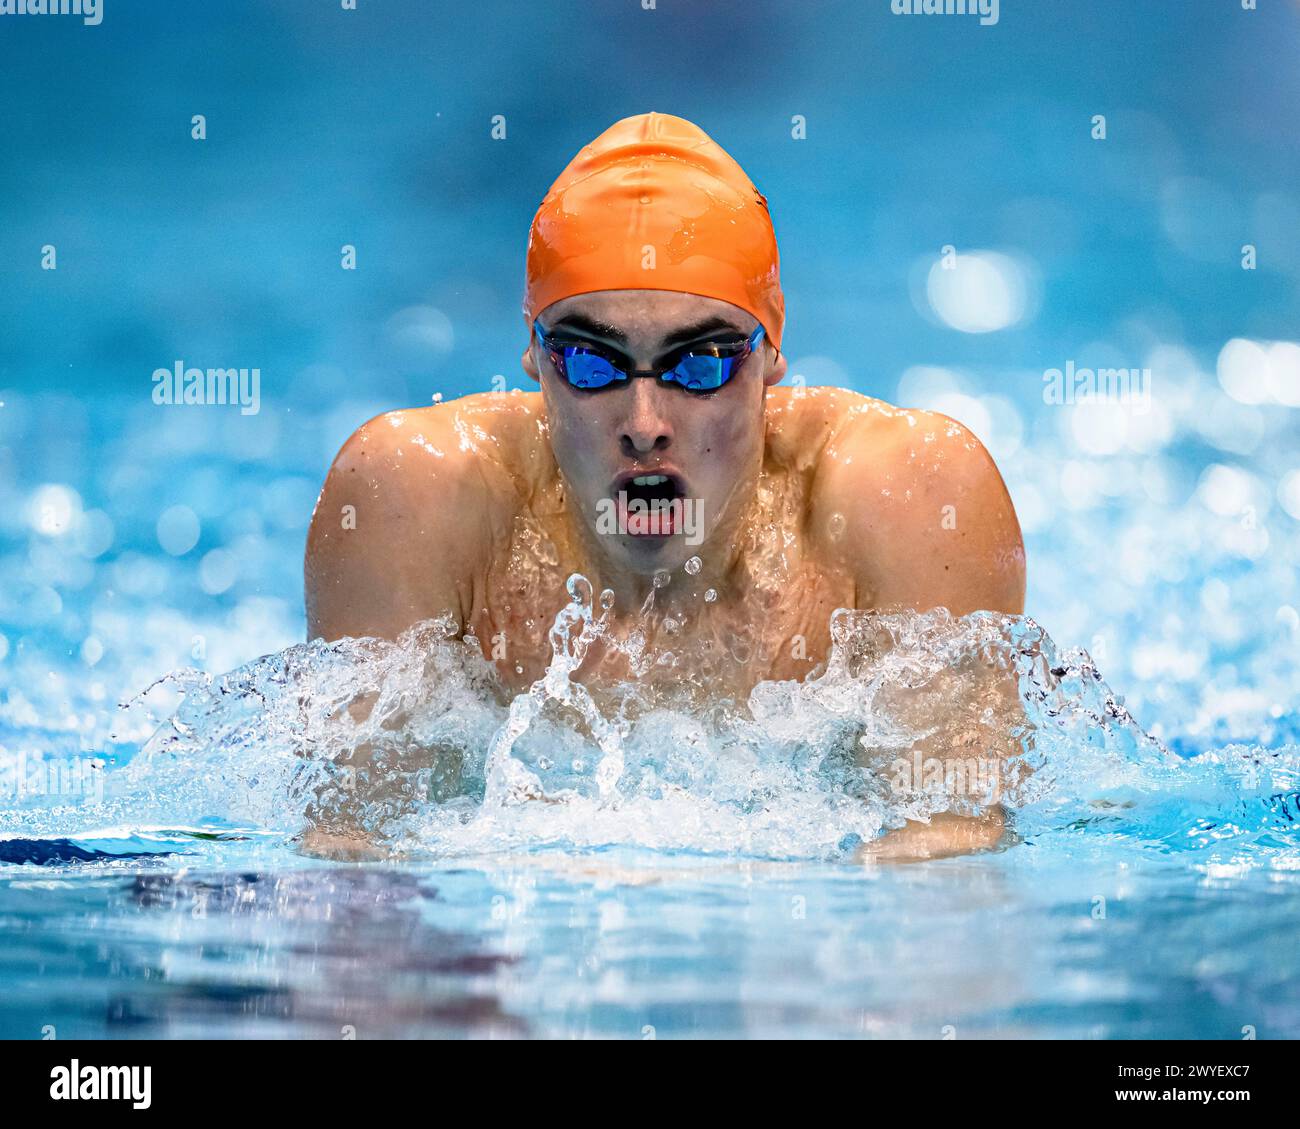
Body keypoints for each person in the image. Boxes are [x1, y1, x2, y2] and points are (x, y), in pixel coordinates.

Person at [304, 111, 1025, 860]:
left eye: (701, 362)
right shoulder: (413, 497)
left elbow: (948, 863)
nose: (645, 421)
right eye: (591, 362)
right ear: (534, 359)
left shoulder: (907, 498)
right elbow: (353, 855)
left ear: (771, 353)